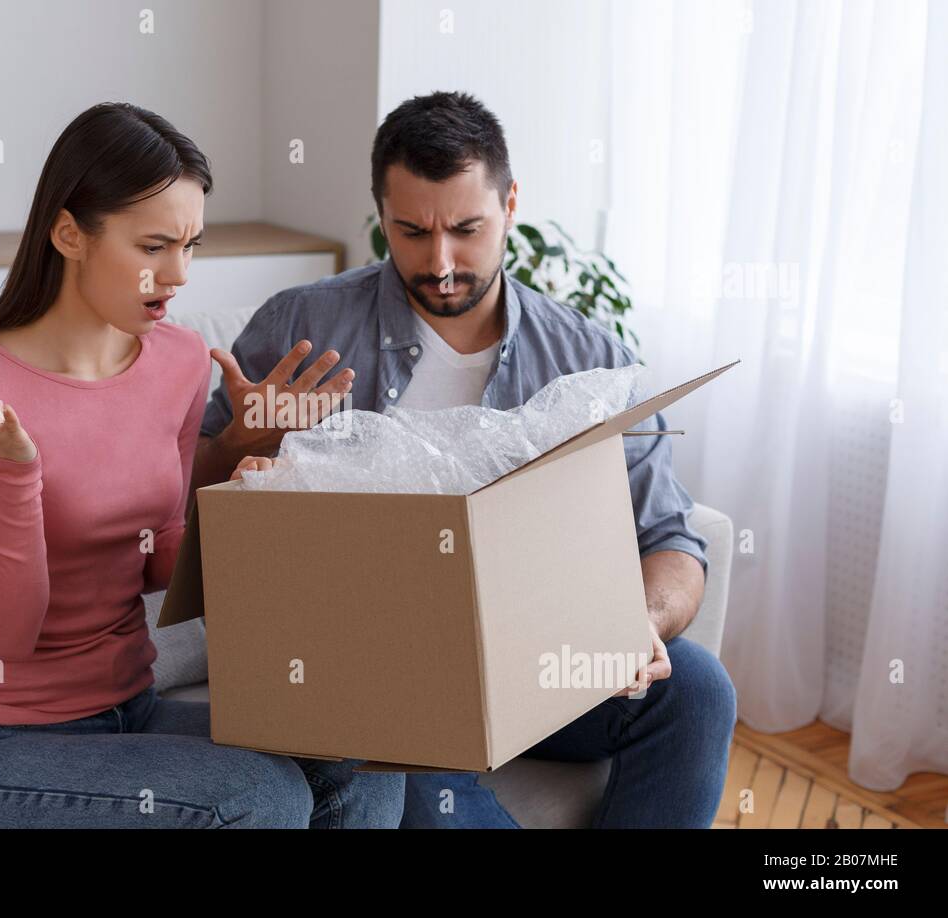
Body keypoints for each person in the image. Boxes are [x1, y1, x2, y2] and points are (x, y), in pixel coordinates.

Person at [194, 91, 737, 829]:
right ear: (380, 215)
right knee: (384, 735)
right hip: (367, 669)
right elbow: (193, 509)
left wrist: (637, 621)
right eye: (412, 232)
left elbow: (671, 538)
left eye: (467, 229)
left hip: (534, 661)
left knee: (698, 688)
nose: (441, 263)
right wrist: (240, 446)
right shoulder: (302, 325)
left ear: (509, 205)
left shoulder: (586, 357)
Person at [0, 102, 404, 829]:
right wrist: (18, 472)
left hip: (128, 708)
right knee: (262, 799)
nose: (177, 275)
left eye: (190, 245)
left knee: (362, 754)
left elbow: (156, 557)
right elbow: (2, 634)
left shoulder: (177, 360)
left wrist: (247, 466)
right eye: (153, 246)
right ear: (69, 234)